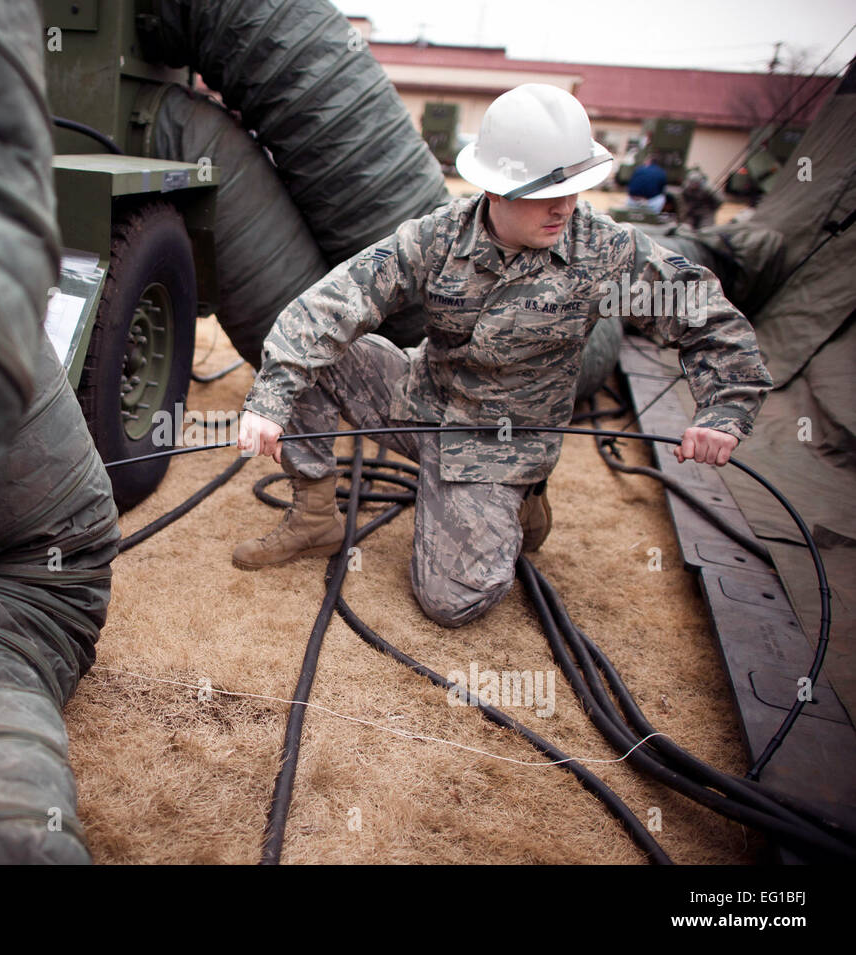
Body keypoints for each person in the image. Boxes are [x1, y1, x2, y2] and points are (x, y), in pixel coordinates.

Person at [232, 83, 772, 628]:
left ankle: (522, 493)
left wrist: (723, 408)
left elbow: (704, 314)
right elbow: (329, 304)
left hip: (503, 442)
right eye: (544, 192)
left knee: (451, 601)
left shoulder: (607, 251)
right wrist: (269, 402)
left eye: (575, 188)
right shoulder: (437, 238)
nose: (564, 207)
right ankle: (315, 515)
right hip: (423, 402)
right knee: (315, 353)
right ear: (495, 188)